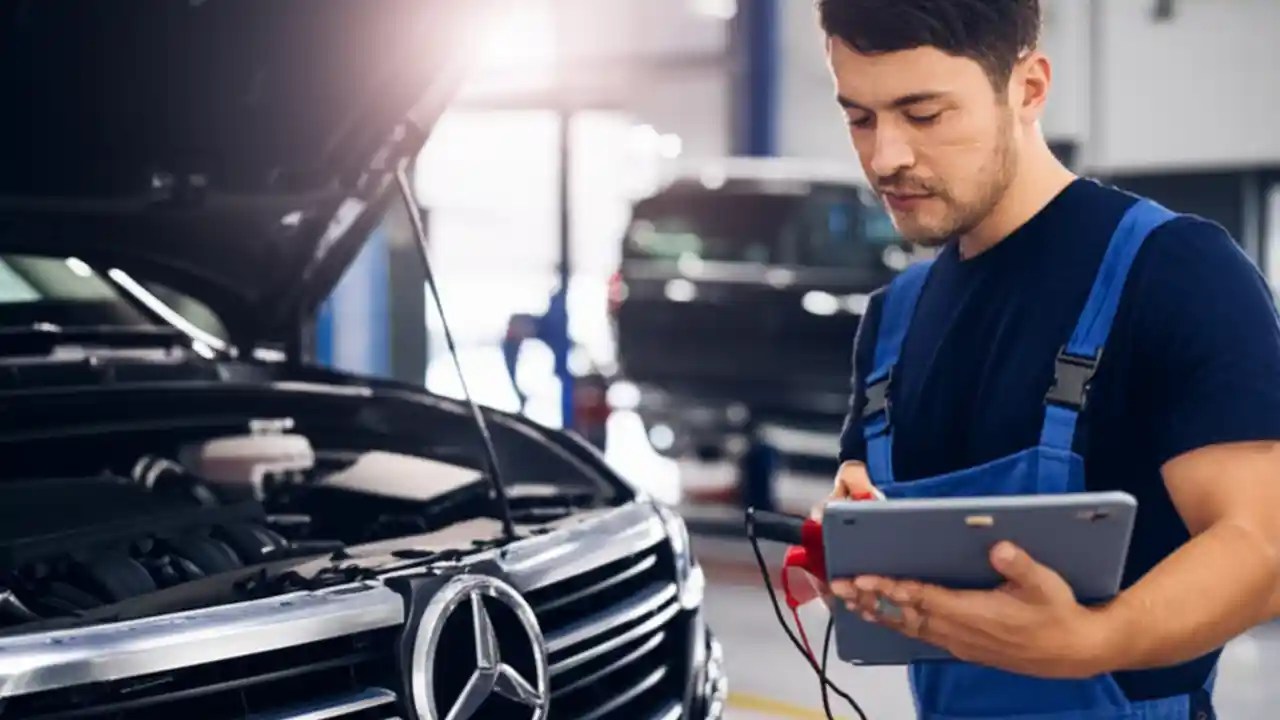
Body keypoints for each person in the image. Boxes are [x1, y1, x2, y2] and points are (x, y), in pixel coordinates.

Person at [808, 1, 1280, 717]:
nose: (886, 158)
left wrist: (1095, 639)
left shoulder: (1173, 271)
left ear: (1027, 87)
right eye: (860, 118)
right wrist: (850, 532)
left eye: (925, 115)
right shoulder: (892, 321)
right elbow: (864, 490)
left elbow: (1262, 544)